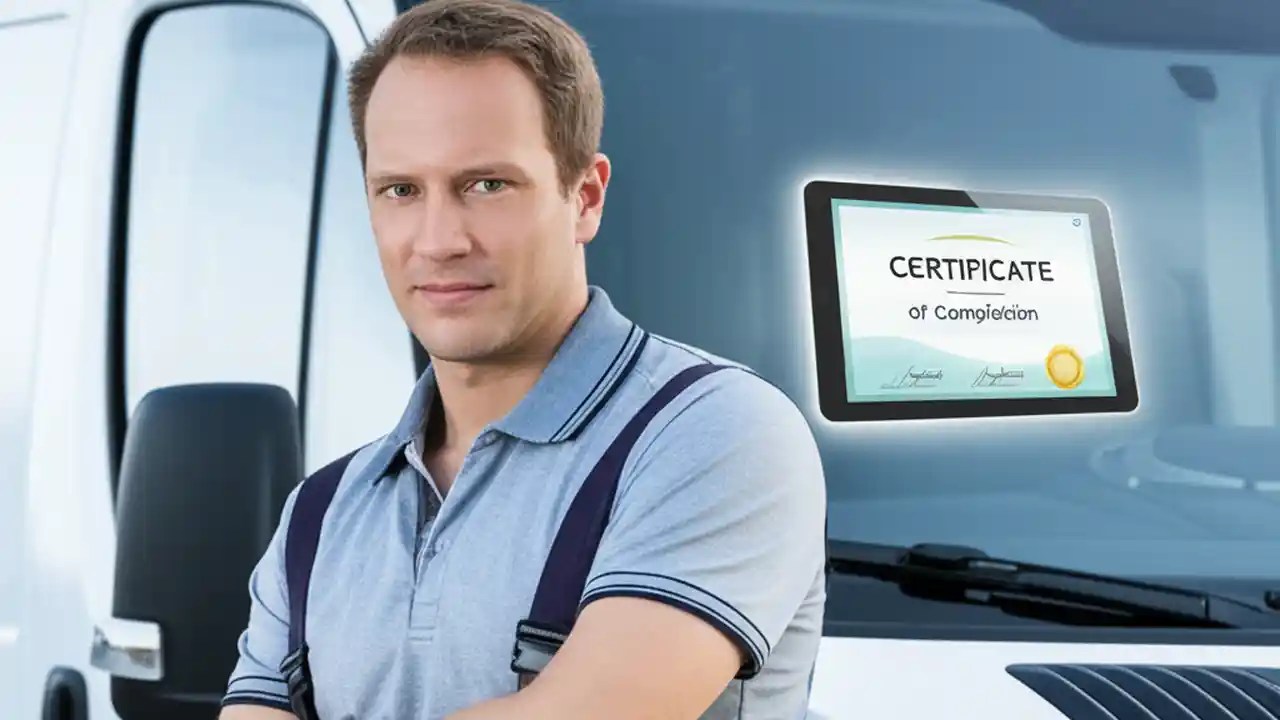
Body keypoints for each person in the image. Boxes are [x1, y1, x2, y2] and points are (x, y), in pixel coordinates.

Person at [218, 0, 827, 718]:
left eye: (487, 185)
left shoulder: (716, 434)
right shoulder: (318, 517)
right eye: (401, 190)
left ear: (586, 197)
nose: (438, 239)